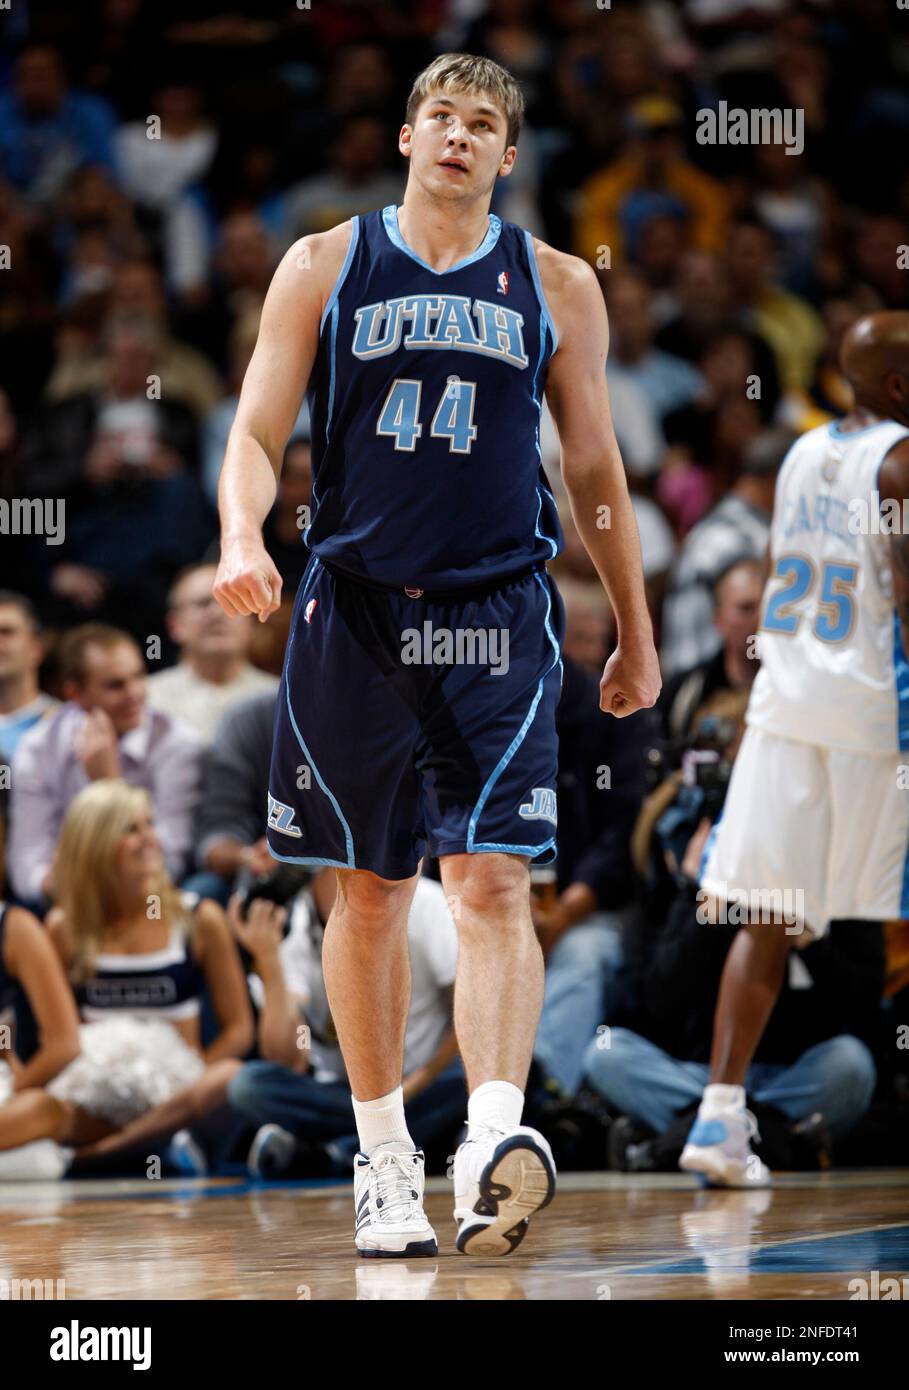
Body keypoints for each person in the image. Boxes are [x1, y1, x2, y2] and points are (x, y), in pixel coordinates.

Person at [213, 52, 660, 1258]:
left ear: (508, 156)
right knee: (368, 892)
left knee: (495, 879)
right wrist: (239, 530)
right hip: (355, 610)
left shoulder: (559, 284)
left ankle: (493, 1142)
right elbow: (255, 425)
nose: (458, 136)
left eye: (482, 124)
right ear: (408, 136)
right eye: (440, 117)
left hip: (501, 612)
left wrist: (634, 623)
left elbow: (598, 472)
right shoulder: (324, 263)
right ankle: (383, 1160)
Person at [682, 310, 909, 1186]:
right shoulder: (898, 461)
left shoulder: (800, 452)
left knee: (768, 916)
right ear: (895, 386)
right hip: (868, 713)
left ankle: (718, 1117)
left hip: (784, 705)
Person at [0, 779, 253, 1176]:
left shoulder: (197, 919)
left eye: (149, 824)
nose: (149, 838)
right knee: (41, 1110)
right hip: (96, 1094)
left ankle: (99, 1156)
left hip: (178, 1090)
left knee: (229, 1079)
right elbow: (56, 1035)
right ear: (95, 843)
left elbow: (239, 1028)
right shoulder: (66, 929)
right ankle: (147, 1146)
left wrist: (190, 1070)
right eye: (130, 830)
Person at [229, 867, 465, 1178]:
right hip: (343, 1095)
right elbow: (288, 1058)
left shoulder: (426, 903)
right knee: (248, 1086)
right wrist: (269, 960)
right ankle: (363, 1149)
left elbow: (468, 1009)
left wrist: (418, 1082)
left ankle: (338, 1154)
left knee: (468, 1077)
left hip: (418, 1084)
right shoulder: (293, 922)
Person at [8, 624, 203, 909]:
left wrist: (110, 787)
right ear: (76, 694)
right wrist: (66, 887)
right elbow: (27, 863)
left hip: (148, 897)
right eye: (115, 685)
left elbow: (169, 864)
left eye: (138, 676)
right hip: (67, 900)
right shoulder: (38, 747)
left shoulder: (177, 743)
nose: (135, 693)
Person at [146, 563, 277, 745]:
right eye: (203, 603)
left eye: (232, 602)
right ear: (174, 625)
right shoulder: (145, 700)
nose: (217, 613)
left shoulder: (280, 701)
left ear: (252, 621)